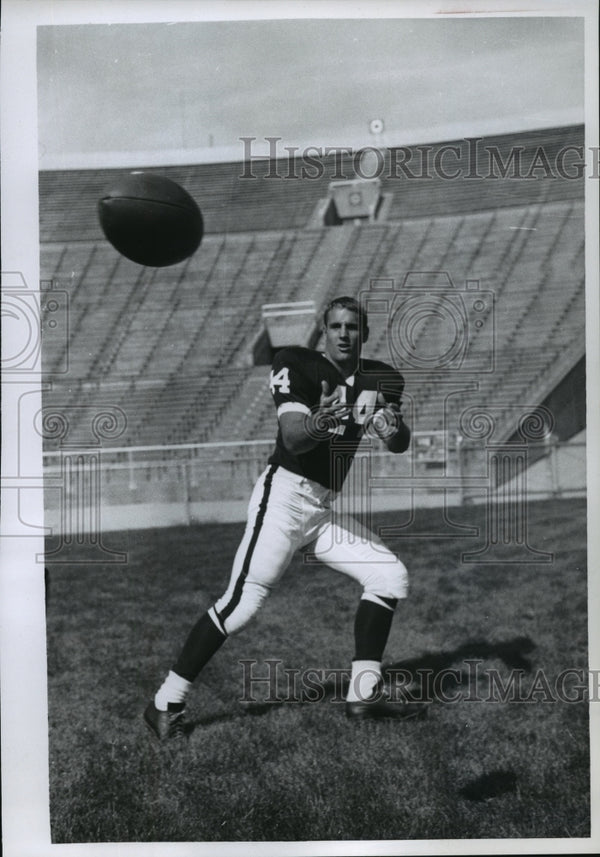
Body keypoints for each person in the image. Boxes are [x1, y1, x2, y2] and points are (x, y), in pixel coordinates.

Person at [144, 296, 426, 740]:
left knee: (390, 576)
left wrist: (395, 432)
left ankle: (363, 696)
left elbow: (400, 441)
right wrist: (320, 421)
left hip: (320, 509)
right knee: (241, 604)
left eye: (352, 326)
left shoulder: (383, 378)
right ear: (323, 331)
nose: (344, 334)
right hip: (285, 498)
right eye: (335, 326)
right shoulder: (297, 363)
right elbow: (294, 440)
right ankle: (166, 701)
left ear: (364, 332)